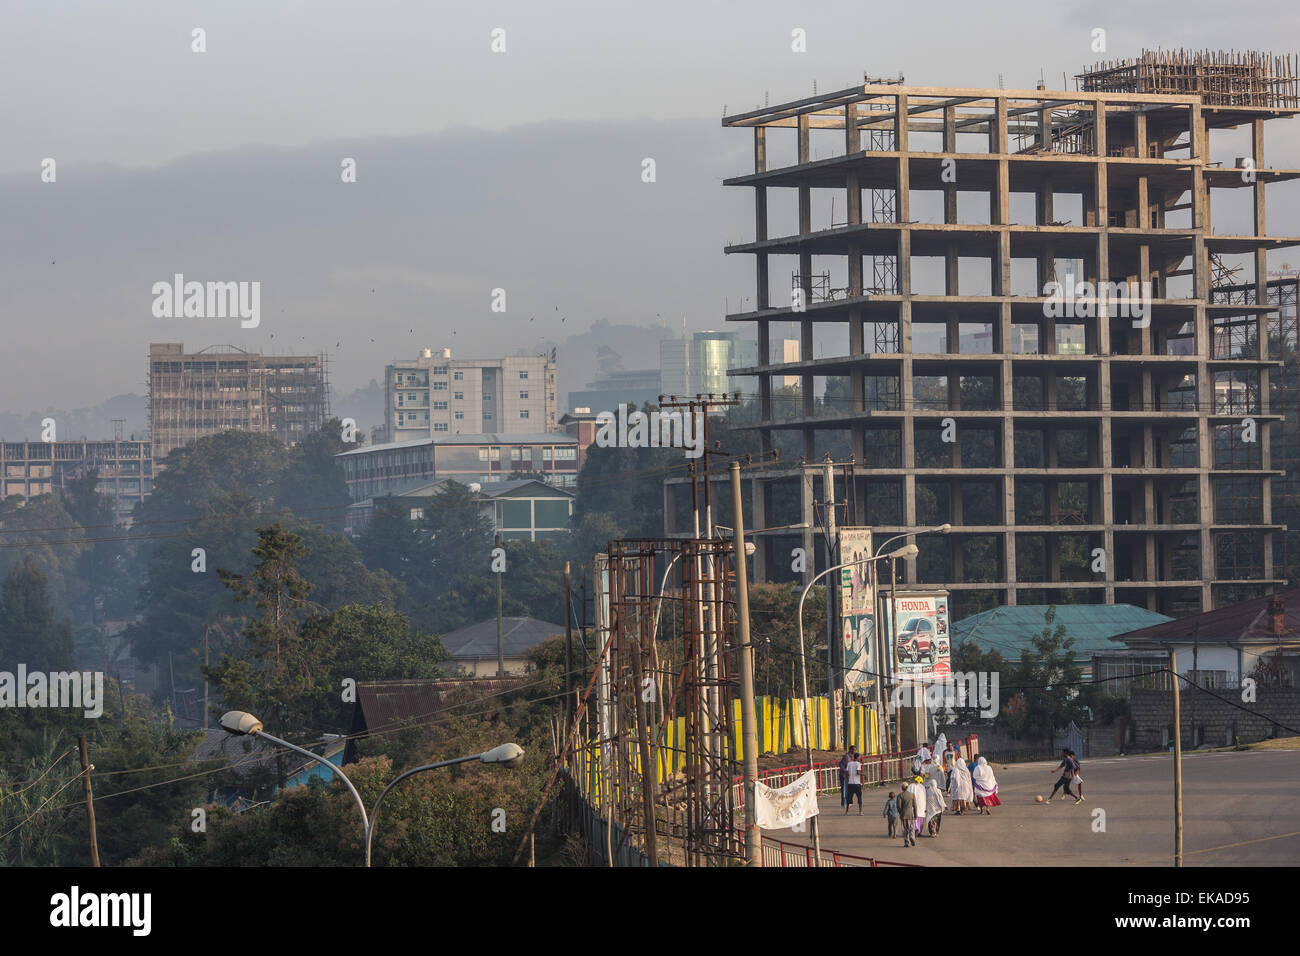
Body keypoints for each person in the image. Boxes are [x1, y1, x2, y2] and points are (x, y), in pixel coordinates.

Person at [924, 768, 947, 836]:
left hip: (930, 809)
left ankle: (931, 832)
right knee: (936, 821)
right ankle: (935, 831)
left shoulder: (927, 791)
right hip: (937, 810)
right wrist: (943, 806)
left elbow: (925, 799)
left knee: (931, 821)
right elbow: (940, 799)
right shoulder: (938, 791)